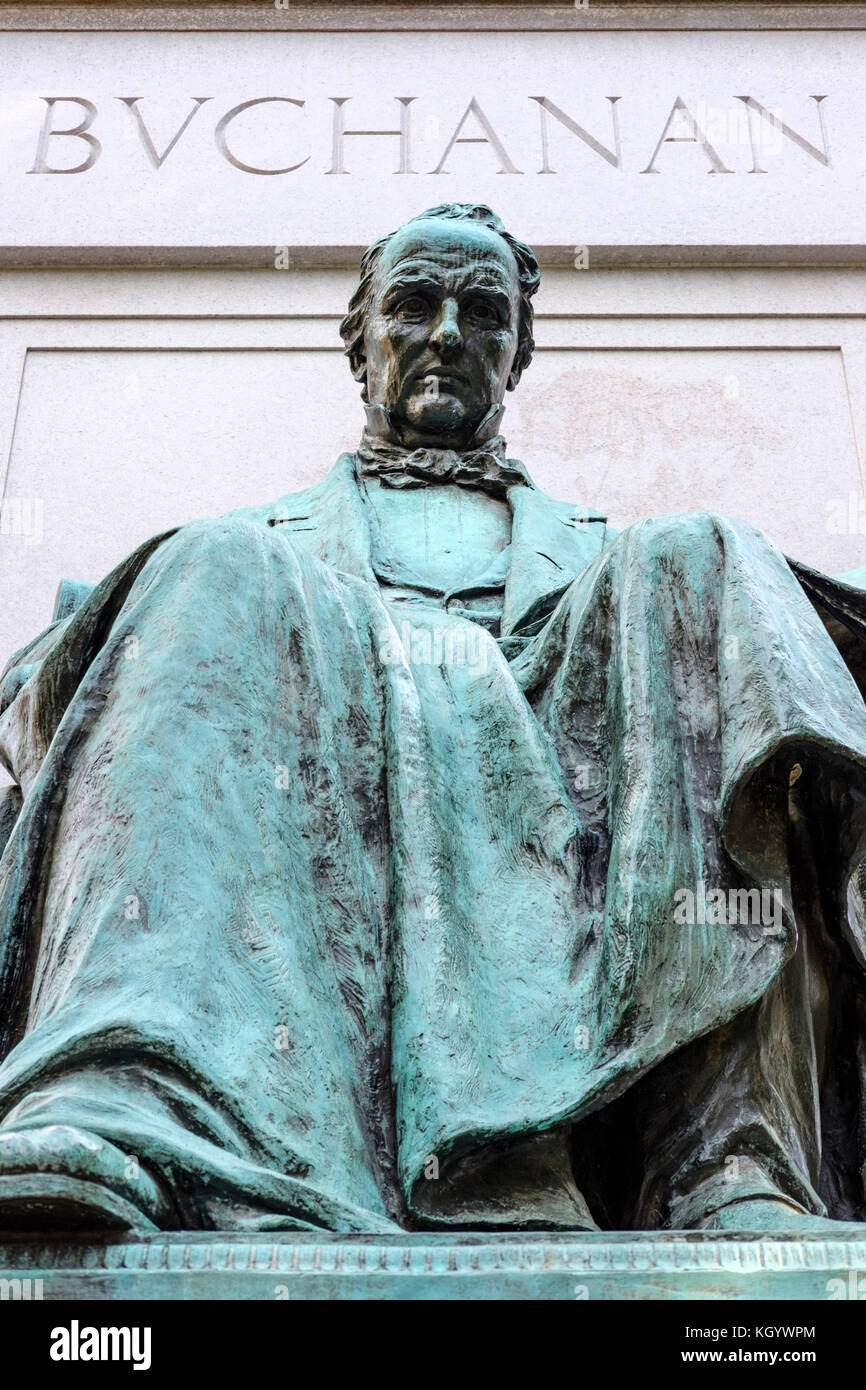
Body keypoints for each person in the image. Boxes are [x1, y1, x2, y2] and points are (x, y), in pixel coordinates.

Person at [1, 202, 866, 1235]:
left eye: (482, 313)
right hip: (325, 789)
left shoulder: (622, 575)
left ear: (516, 354)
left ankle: (723, 1167)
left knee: (705, 551)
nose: (448, 336)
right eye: (414, 306)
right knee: (205, 564)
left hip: (568, 816)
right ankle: (125, 1099)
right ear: (358, 346)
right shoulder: (248, 561)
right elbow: (65, 686)